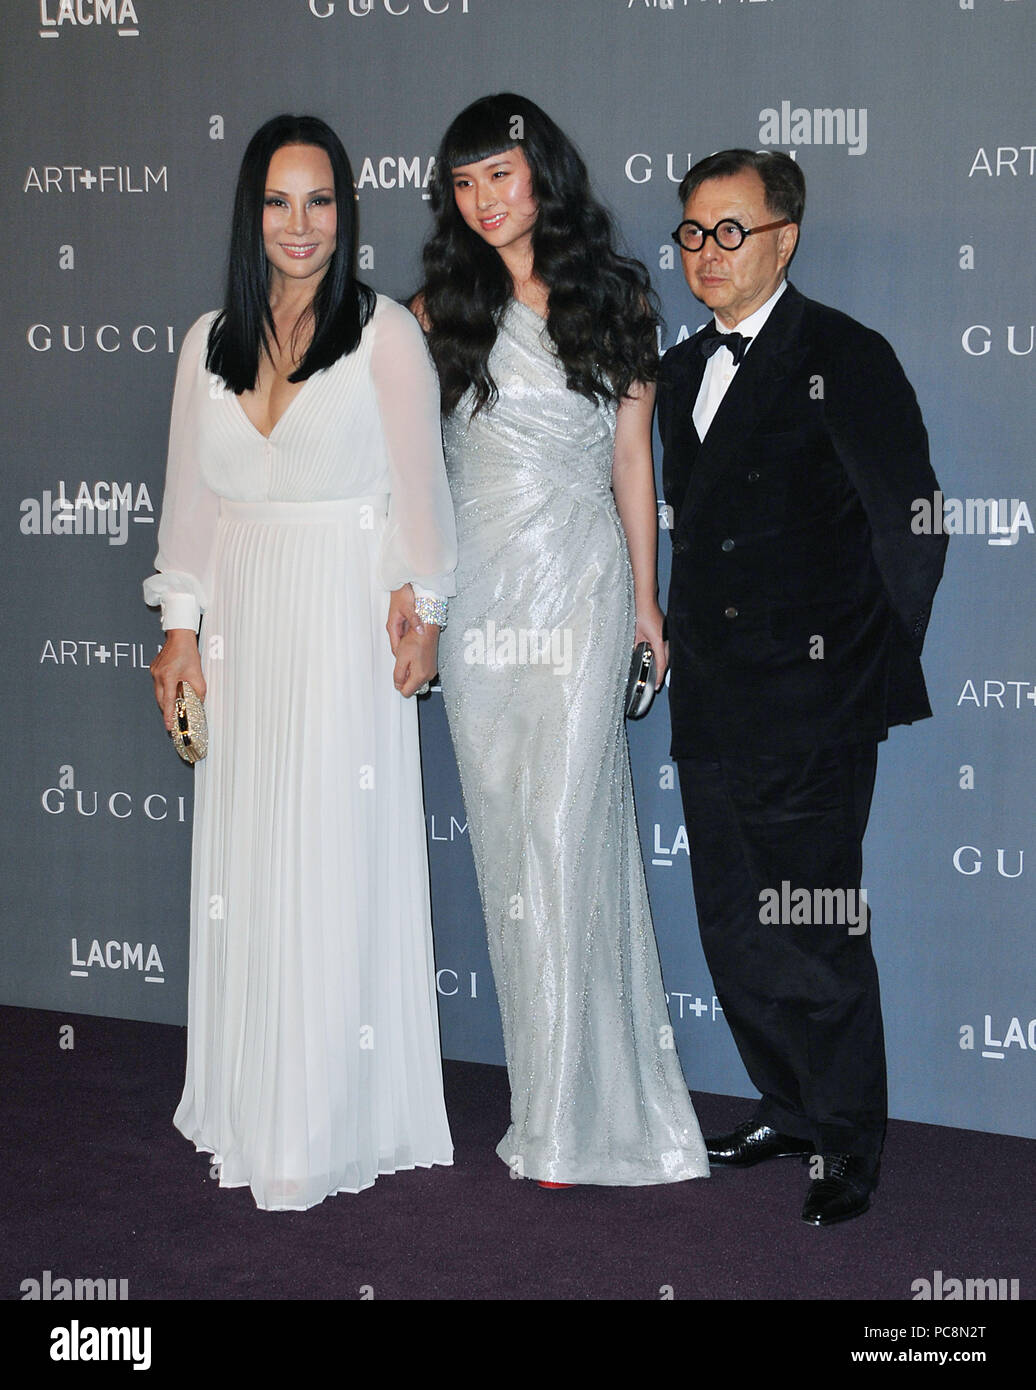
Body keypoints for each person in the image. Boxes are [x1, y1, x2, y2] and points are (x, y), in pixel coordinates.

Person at [144, 114, 456, 1211]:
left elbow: (418, 498)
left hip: (337, 625)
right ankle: (250, 1097)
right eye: (279, 201)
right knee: (249, 866)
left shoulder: (384, 337)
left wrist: (423, 610)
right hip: (238, 623)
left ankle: (326, 1113)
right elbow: (189, 508)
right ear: (251, 212)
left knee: (328, 859)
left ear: (346, 212)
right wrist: (179, 628)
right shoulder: (205, 342)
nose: (299, 224)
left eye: (320, 201)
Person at [415, 93, 708, 1188]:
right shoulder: (436, 306)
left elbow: (635, 459)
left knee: (566, 830)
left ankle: (584, 1113)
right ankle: (547, 1104)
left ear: (543, 172)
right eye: (466, 180)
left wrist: (645, 599)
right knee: (512, 853)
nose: (487, 198)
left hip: (581, 587)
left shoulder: (613, 294)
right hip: (483, 599)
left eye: (502, 172)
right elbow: (416, 476)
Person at [658, 149, 947, 1225]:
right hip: (717, 704)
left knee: (813, 927)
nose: (706, 252)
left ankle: (845, 1141)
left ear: (784, 237)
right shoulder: (682, 369)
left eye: (728, 230)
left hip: (814, 706)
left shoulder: (844, 353)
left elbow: (912, 522)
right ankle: (784, 1104)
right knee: (733, 923)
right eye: (691, 231)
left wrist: (861, 669)